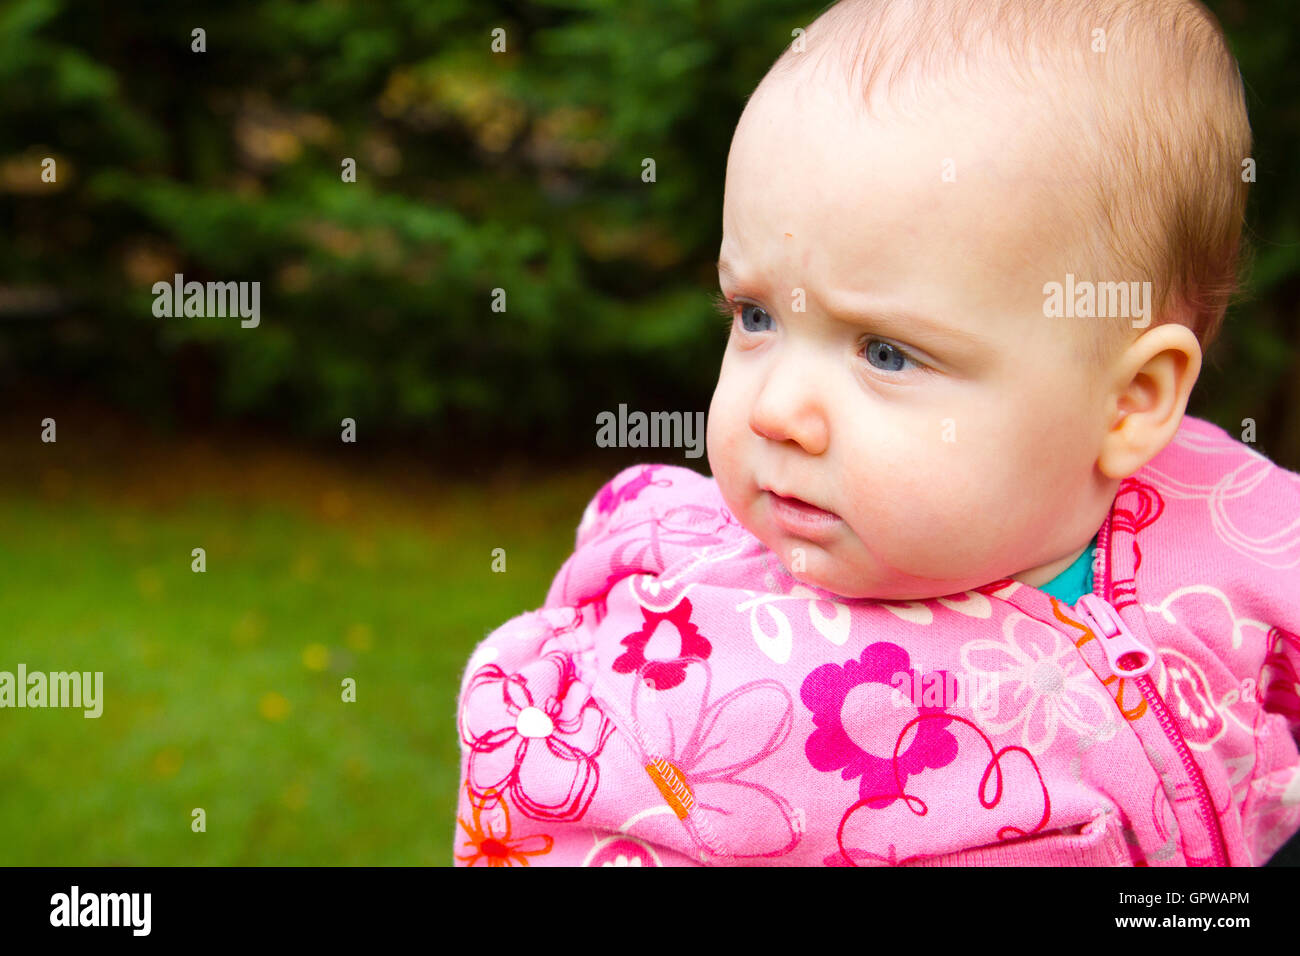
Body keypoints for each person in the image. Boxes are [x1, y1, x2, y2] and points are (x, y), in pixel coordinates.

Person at [453, 0, 1300, 866]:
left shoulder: (1245, 539)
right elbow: (538, 801)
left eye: (886, 353)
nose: (778, 408)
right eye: (755, 315)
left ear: (1129, 403)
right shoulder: (689, 643)